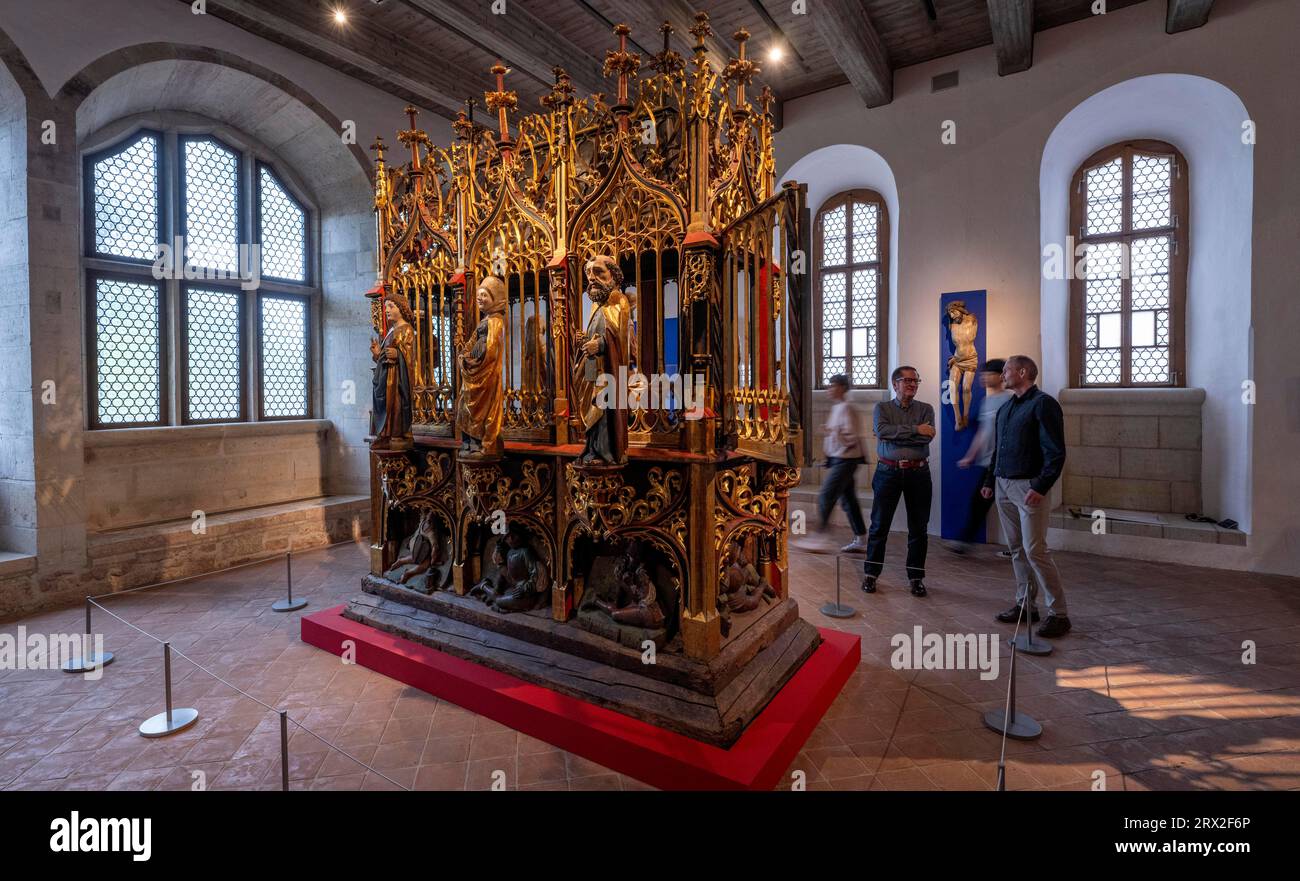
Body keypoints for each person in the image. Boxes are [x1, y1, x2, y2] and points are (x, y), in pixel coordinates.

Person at [981, 355, 1071, 637]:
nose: (1002, 375)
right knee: (1017, 549)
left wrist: (1041, 486)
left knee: (1035, 550)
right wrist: (989, 480)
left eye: (1006, 370)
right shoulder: (1007, 408)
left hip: (1028, 488)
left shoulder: (1043, 404)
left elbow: (1055, 452)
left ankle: (1059, 613)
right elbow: (999, 449)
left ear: (1023, 372)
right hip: (1003, 485)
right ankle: (1025, 605)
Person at [862, 366, 935, 597]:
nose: (913, 384)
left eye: (916, 381)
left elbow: (927, 437)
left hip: (919, 473)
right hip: (888, 472)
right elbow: (881, 431)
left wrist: (899, 433)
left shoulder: (926, 409)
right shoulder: (881, 408)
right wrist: (915, 430)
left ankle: (916, 578)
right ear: (895, 384)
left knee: (918, 529)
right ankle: (871, 575)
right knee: (879, 525)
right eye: (907, 380)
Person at [792, 374, 870, 553]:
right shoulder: (839, 408)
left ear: (842, 387)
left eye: (832, 386)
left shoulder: (847, 408)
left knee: (826, 496)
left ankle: (820, 537)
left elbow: (851, 438)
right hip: (840, 459)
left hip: (846, 460)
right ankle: (861, 539)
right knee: (849, 500)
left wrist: (832, 432)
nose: (829, 389)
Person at [944, 358, 1010, 554]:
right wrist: (970, 456)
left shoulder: (1010, 399)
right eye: (982, 374)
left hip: (1007, 463)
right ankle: (965, 541)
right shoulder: (986, 401)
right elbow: (982, 432)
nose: (983, 378)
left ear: (1000, 376)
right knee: (979, 502)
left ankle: (1017, 547)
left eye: (988, 374)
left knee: (1011, 507)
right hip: (987, 463)